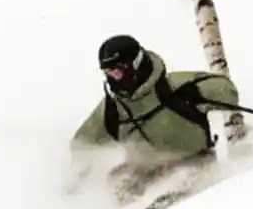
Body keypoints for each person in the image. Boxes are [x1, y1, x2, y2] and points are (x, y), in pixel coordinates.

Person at [71, 34, 239, 171]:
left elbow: (228, 92)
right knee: (117, 178)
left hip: (195, 168)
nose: (113, 78)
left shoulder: (174, 87)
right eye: (108, 72)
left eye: (117, 71)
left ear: (134, 65)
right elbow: (82, 145)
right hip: (144, 181)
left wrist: (197, 94)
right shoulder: (113, 109)